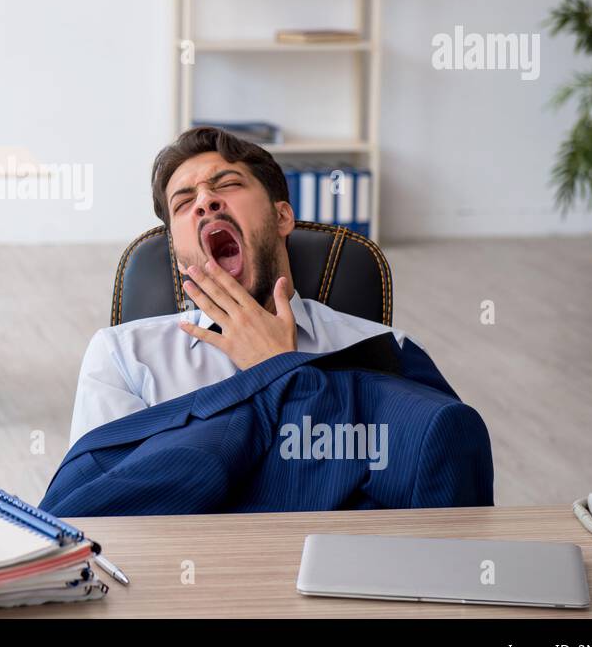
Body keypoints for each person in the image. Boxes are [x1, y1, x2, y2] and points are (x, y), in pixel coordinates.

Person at [67, 126, 419, 450]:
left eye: (228, 184)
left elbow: (411, 477)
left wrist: (279, 370)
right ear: (177, 254)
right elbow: (97, 503)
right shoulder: (122, 358)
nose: (205, 200)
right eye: (184, 202)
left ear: (282, 217)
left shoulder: (385, 350)